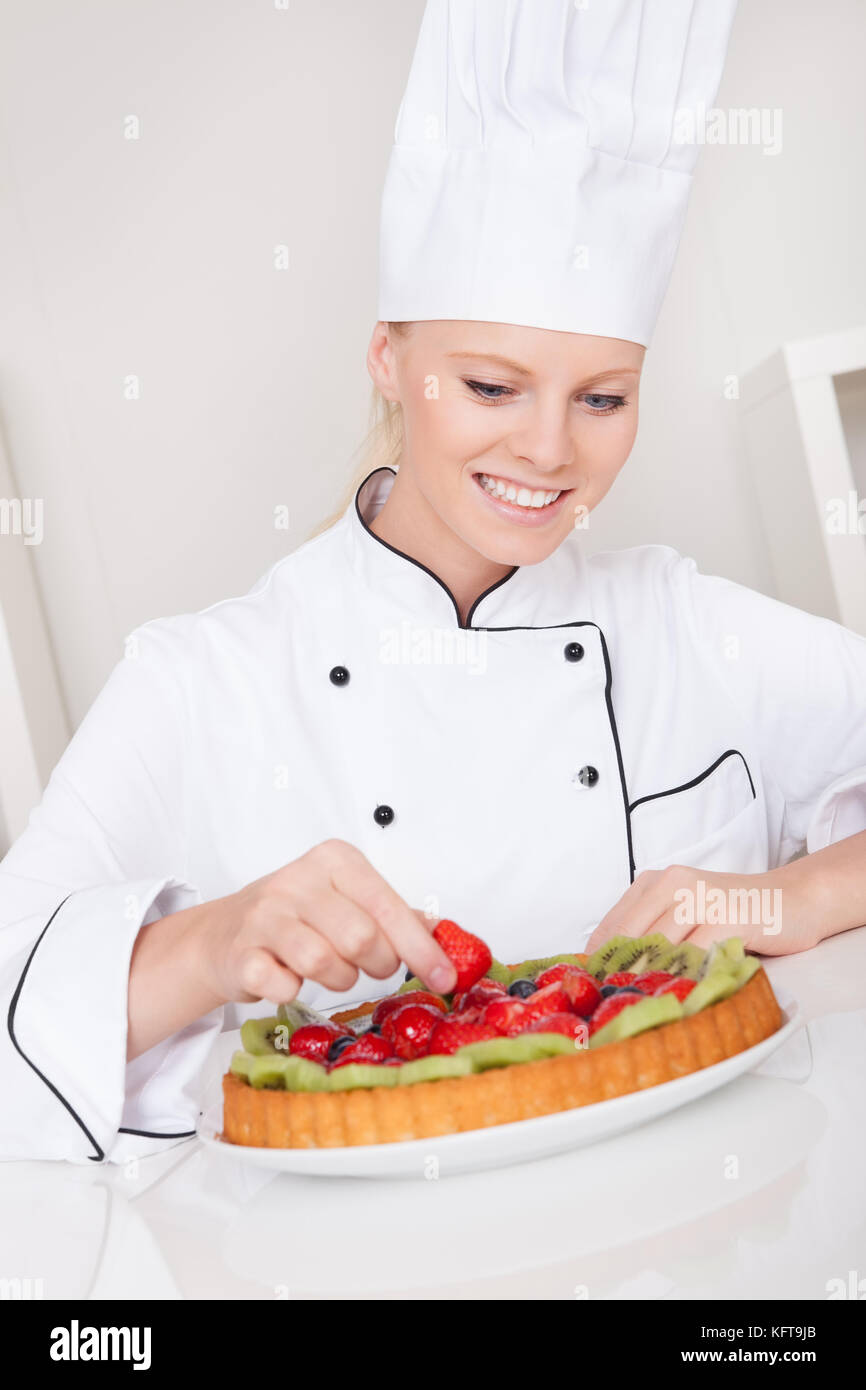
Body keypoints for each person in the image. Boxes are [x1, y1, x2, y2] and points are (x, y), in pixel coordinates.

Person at [2, 0, 864, 1164]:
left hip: (707, 1227)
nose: (550, 452)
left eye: (601, 398)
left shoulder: (679, 620)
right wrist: (206, 945)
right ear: (389, 362)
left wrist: (783, 899)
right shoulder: (202, 679)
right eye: (491, 387)